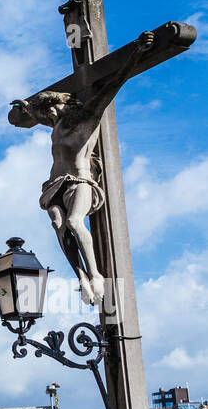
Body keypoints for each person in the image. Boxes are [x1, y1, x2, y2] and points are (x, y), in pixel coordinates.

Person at [9, 31, 154, 307]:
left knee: (75, 222)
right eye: (48, 113)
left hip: (80, 181)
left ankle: (96, 275)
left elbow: (114, 84)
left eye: (52, 110)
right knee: (58, 224)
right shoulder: (58, 125)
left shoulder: (88, 118)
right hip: (55, 185)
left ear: (65, 106)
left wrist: (136, 53)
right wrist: (27, 108)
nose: (49, 116)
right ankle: (81, 277)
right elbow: (36, 114)